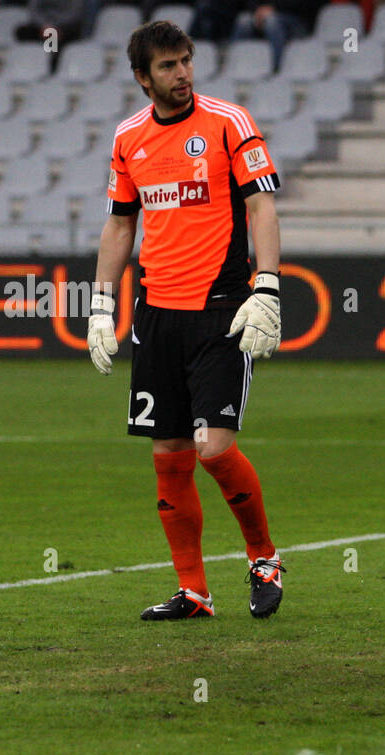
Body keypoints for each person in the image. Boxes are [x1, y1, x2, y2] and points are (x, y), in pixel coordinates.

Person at [88, 20, 286, 621]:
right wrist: (102, 305)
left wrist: (268, 286)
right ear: (143, 78)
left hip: (222, 312)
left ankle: (264, 559)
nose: (183, 75)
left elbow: (261, 205)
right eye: (169, 67)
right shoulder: (129, 139)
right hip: (156, 316)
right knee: (168, 455)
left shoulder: (229, 123)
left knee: (213, 450)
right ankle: (194, 592)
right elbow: (122, 224)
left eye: (186, 61)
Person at [233, 0, 326, 72]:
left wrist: (274, 8)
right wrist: (257, 11)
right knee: (244, 20)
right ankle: (236, 65)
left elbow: (304, 5)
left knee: (272, 21)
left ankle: (275, 68)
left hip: (298, 21)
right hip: (266, 17)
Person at [15, 0, 87, 46]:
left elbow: (75, 14)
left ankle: (54, 65)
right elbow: (33, 10)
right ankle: (28, 60)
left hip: (64, 26)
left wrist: (54, 25)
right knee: (22, 32)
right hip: (42, 25)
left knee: (70, 34)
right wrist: (44, 25)